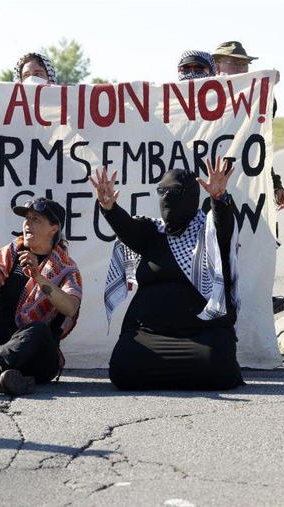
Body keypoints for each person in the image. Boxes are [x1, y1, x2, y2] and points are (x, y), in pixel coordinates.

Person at [89, 159, 244, 390]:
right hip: (150, 335)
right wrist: (109, 208)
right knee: (123, 368)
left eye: (175, 193)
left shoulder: (208, 233)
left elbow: (224, 227)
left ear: (191, 197)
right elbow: (126, 228)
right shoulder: (152, 231)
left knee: (218, 366)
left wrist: (219, 199)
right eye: (162, 192)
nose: (167, 198)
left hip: (201, 336)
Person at [0, 198, 82, 396]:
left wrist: (39, 278)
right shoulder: (9, 255)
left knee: (37, 330)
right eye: (27, 219)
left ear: (54, 228)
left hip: (37, 355)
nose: (27, 224)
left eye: (36, 219)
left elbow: (70, 308)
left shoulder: (66, 268)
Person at [211, 40, 284, 314]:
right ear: (218, 65)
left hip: (249, 184)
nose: (241, 68)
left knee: (261, 237)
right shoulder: (200, 96)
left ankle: (258, 296)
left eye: (244, 64)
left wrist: (276, 183)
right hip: (213, 186)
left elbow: (259, 145)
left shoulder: (255, 96)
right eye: (234, 63)